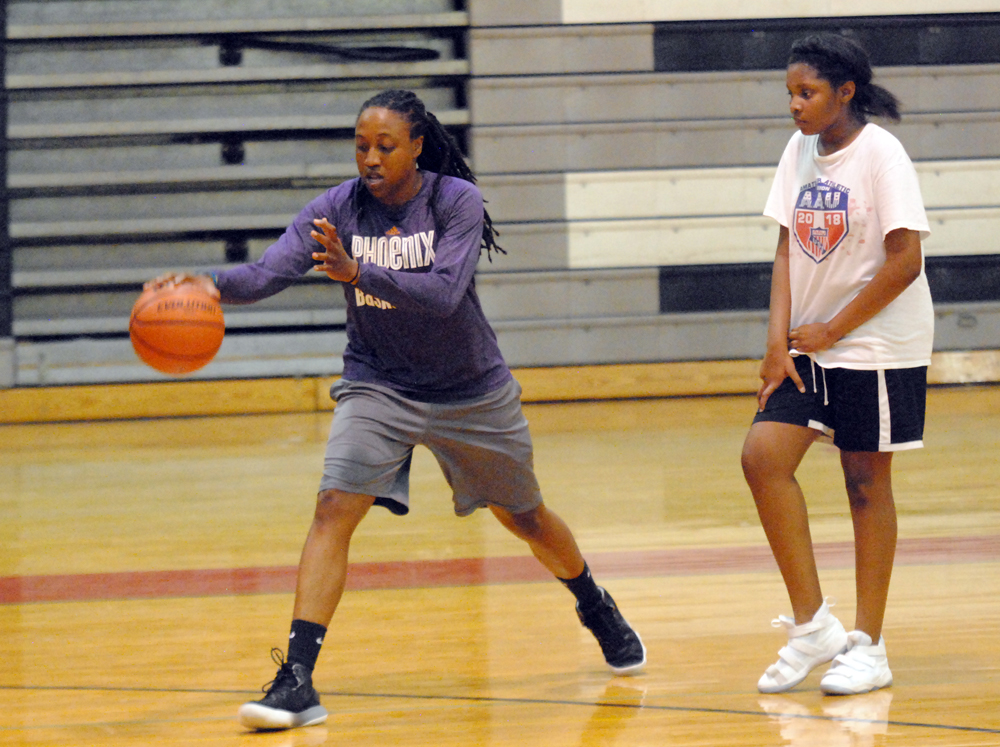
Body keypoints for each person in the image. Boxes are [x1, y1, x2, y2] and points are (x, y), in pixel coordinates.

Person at [148, 89, 645, 732]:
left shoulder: (453, 202)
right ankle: (297, 679)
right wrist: (203, 285)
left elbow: (442, 295)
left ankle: (592, 601)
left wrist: (358, 274)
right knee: (334, 506)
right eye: (361, 145)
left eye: (386, 146)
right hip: (379, 385)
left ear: (416, 147)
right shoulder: (336, 208)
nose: (371, 158)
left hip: (470, 390)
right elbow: (269, 272)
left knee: (524, 517)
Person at [740, 34, 933, 696]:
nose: (794, 105)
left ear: (845, 91)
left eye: (807, 93)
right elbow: (788, 247)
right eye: (790, 93)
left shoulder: (882, 155)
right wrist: (777, 342)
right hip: (811, 344)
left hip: (875, 343)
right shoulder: (798, 152)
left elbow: (906, 262)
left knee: (864, 482)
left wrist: (833, 328)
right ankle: (812, 625)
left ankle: (869, 645)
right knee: (763, 457)